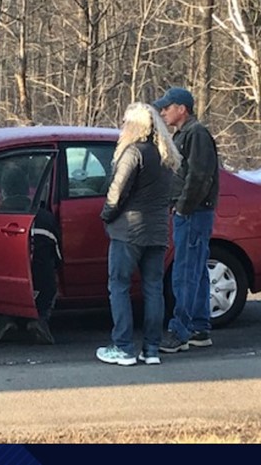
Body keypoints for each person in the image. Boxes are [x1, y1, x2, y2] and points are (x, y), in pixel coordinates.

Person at [96, 103, 181, 366]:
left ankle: (122, 347)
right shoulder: (166, 155)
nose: (123, 127)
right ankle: (152, 348)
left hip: (128, 230)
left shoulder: (134, 152)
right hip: (157, 231)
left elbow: (117, 191)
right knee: (153, 289)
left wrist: (107, 215)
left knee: (119, 286)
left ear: (134, 126)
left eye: (125, 122)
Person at [152, 87, 220, 353]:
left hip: (193, 213)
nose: (163, 112)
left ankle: (180, 331)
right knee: (197, 269)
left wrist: (183, 207)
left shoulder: (196, 134)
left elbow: (200, 175)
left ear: (182, 109)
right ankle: (200, 328)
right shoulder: (184, 134)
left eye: (167, 108)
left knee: (185, 273)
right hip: (191, 212)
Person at [0, 169, 63, 345]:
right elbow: (58, 257)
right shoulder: (46, 218)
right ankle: (40, 319)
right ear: (27, 190)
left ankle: (7, 318)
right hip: (42, 283)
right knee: (47, 279)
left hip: (9, 284)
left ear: (3, 191)